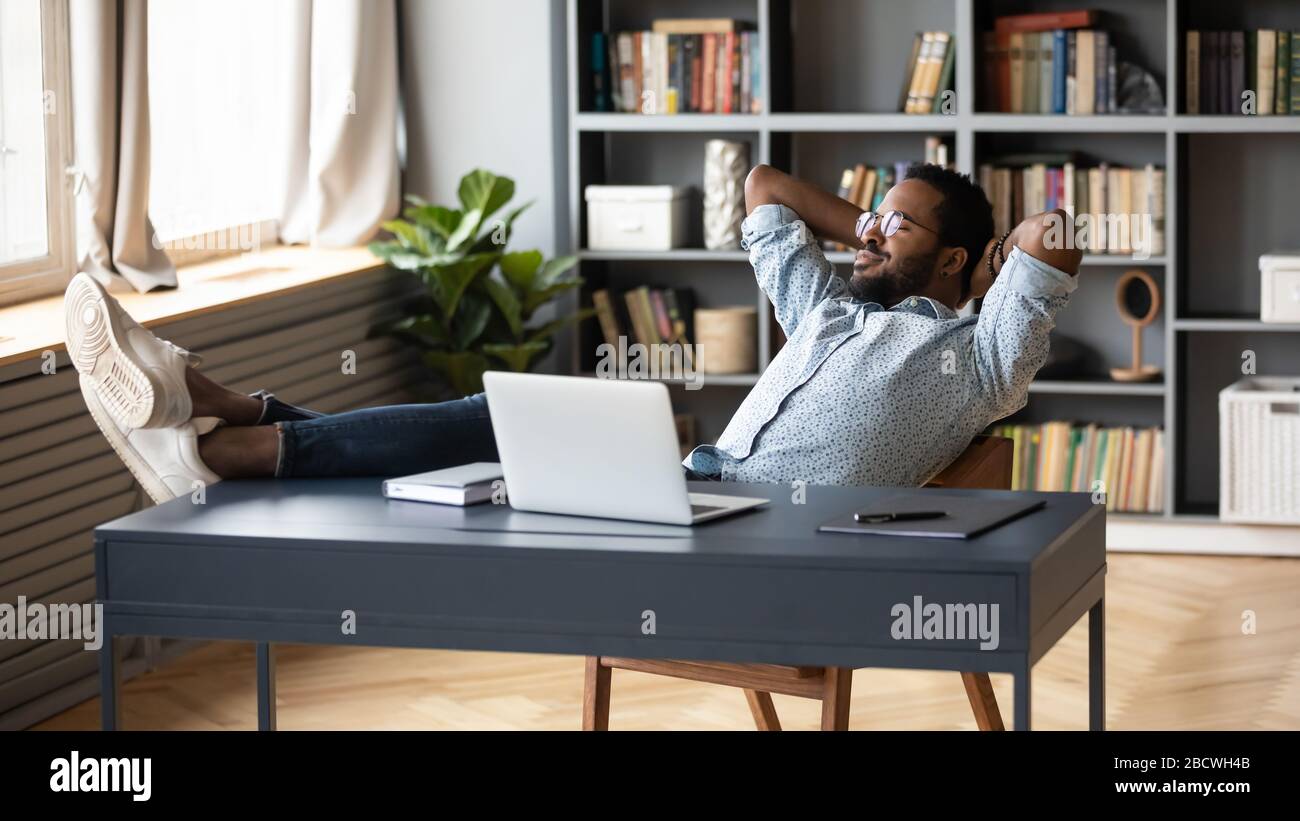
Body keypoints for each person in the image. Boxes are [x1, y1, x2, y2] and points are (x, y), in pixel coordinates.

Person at [65, 163, 1081, 504]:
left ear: (954, 260)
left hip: (773, 531)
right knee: (509, 411)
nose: (869, 229)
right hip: (698, 485)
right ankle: (231, 425)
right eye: (874, 214)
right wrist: (867, 225)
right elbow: (764, 188)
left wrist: (996, 274)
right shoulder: (825, 305)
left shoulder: (978, 360)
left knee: (505, 423)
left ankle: (226, 430)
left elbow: (1053, 235)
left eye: (900, 222)